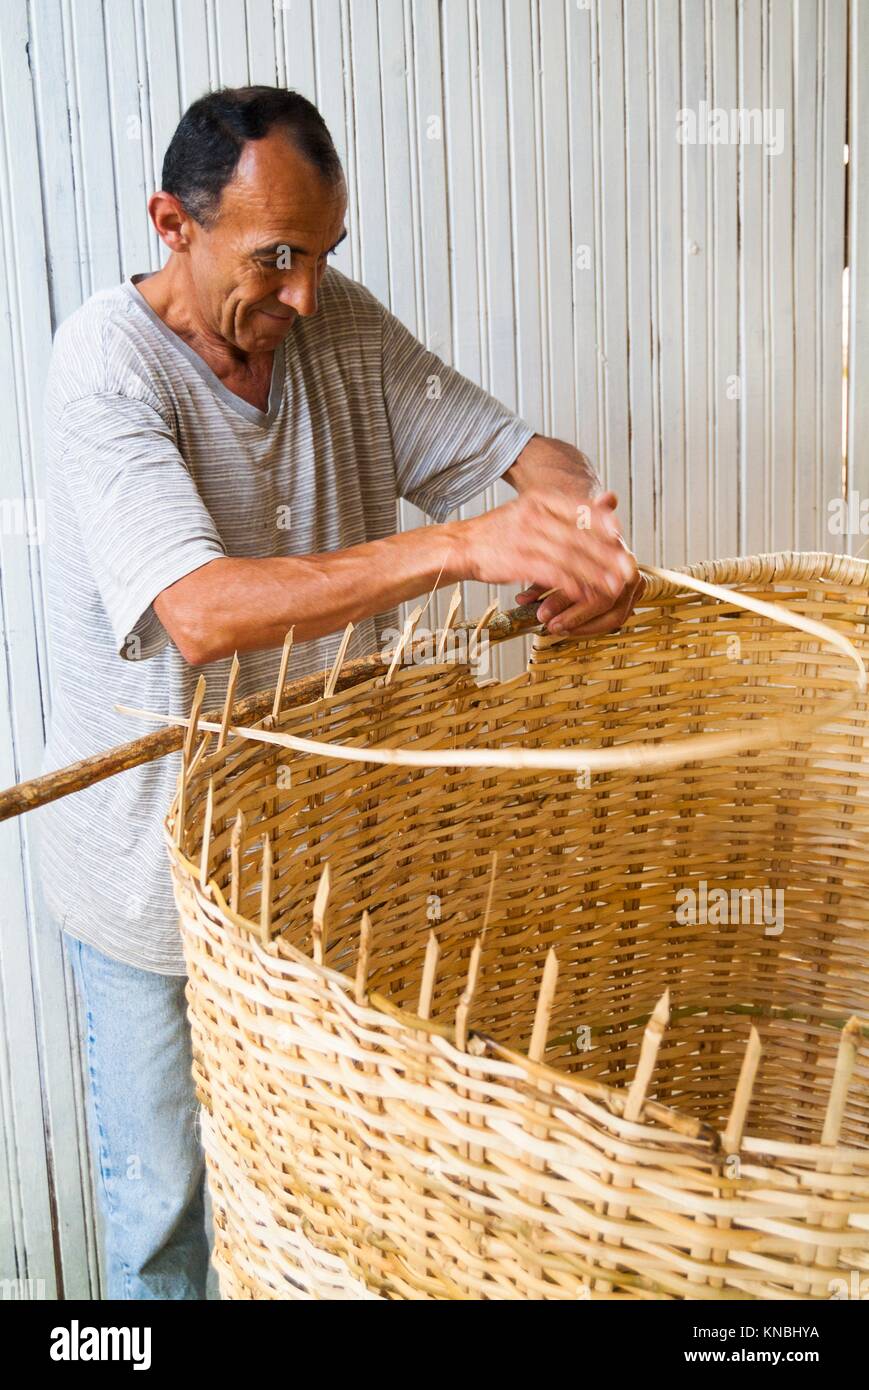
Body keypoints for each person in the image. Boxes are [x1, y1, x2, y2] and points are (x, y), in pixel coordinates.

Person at [35, 86, 639, 1299]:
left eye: (321, 254)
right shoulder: (105, 367)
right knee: (162, 1226)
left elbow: (519, 456)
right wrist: (461, 547)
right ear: (172, 223)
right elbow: (199, 612)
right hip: (149, 893)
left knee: (321, 1202)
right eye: (275, 258)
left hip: (320, 888)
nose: (303, 294)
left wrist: (575, 532)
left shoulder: (334, 325)